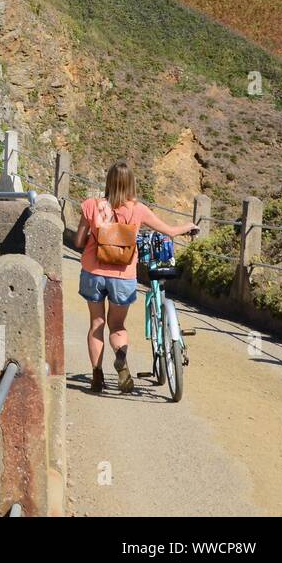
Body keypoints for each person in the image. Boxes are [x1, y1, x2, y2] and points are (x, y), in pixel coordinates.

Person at [74, 161, 200, 394]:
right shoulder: (138, 210)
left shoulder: (91, 205)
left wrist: (95, 232)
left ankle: (97, 377)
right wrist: (188, 226)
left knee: (96, 324)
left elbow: (78, 242)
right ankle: (120, 356)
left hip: (93, 272)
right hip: (123, 276)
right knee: (117, 326)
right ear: (131, 183)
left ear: (109, 182)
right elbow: (170, 231)